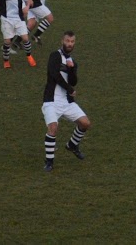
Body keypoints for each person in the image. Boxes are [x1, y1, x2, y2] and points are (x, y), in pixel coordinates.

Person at [41, 31, 91, 172]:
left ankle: (72, 145)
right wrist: (69, 88)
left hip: (67, 102)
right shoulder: (55, 56)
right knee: (53, 128)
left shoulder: (72, 61)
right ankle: (49, 162)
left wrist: (71, 69)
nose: (69, 44)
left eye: (72, 41)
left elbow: (74, 81)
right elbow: (54, 75)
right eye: (67, 41)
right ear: (62, 41)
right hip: (51, 101)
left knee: (85, 123)